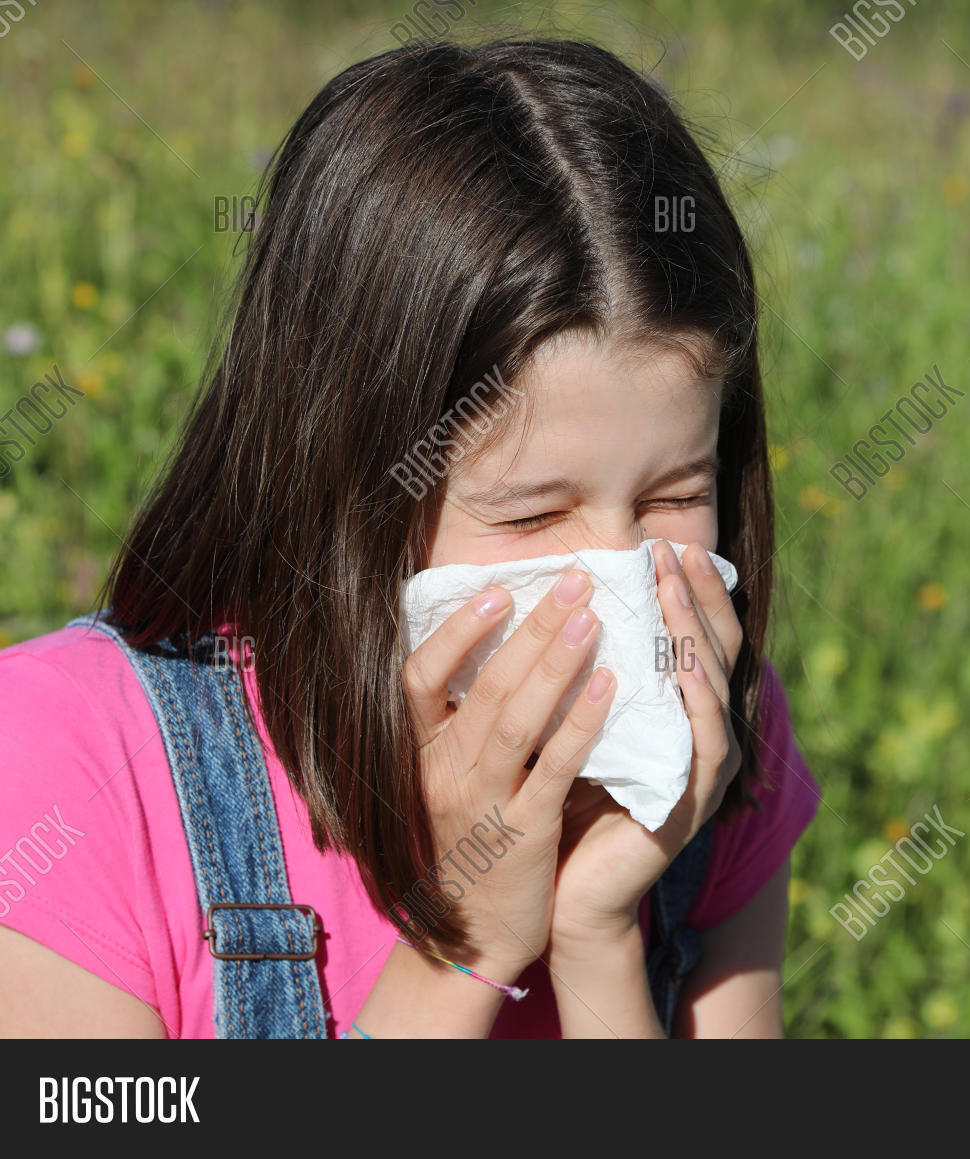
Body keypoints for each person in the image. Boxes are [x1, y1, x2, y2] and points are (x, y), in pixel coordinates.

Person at [0, 36, 820, 1039]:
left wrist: (601, 940)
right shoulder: (70, 769)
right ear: (348, 481)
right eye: (530, 514)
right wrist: (460, 954)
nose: (616, 575)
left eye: (670, 496)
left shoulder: (711, 737)